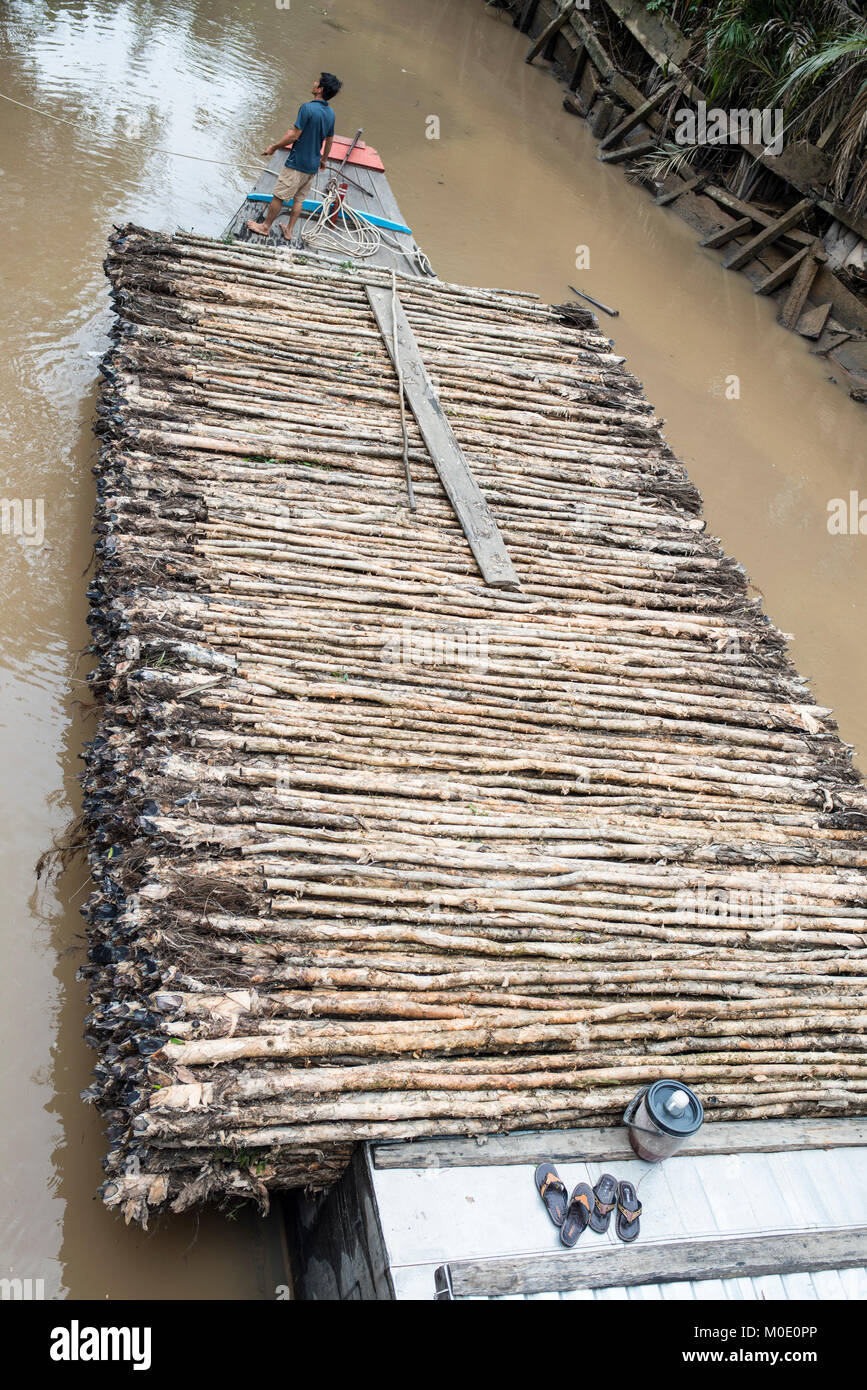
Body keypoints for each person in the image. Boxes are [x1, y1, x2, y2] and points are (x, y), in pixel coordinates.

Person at [247, 73, 342, 242]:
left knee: (279, 195)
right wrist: (324, 160)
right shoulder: (331, 113)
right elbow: (329, 140)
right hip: (312, 164)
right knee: (299, 199)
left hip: (297, 163)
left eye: (316, 82)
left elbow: (294, 136)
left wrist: (274, 147)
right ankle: (289, 230)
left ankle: (265, 226)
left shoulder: (307, 108)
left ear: (320, 89)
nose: (313, 83)